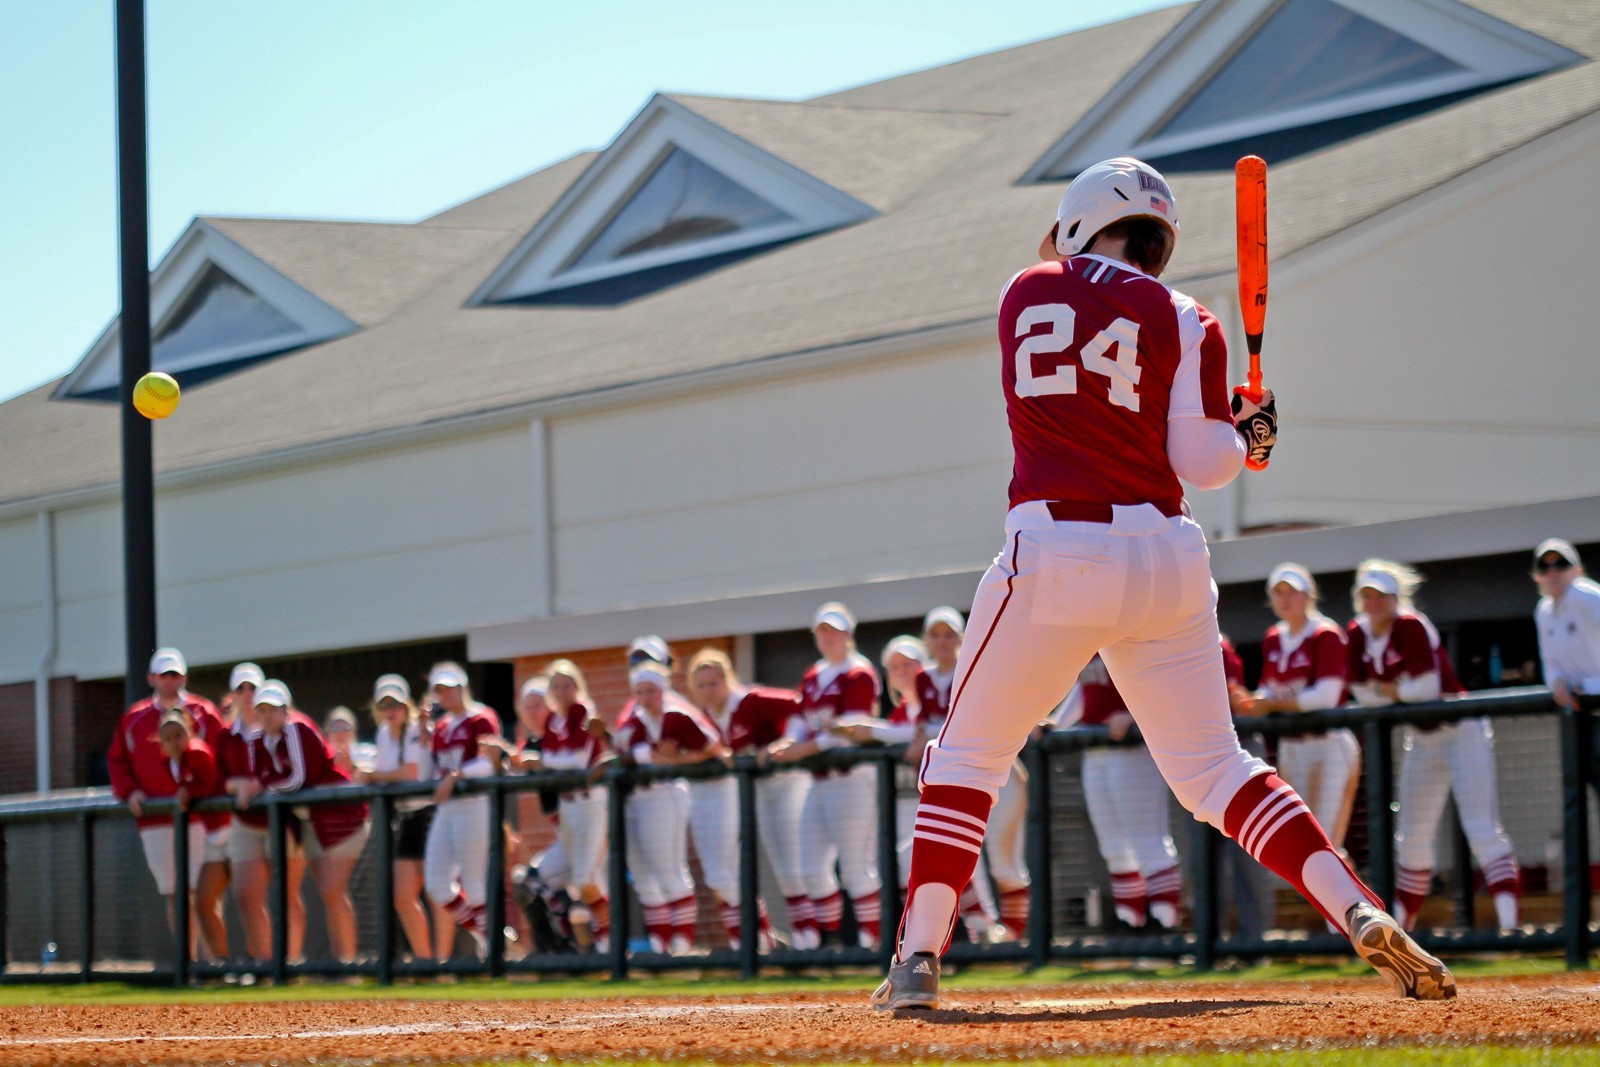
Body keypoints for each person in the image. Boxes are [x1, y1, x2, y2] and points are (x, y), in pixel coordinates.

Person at [875, 157, 1452, 1010]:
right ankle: (1356, 906)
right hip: (1168, 557)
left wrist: (1234, 429)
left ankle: (917, 961)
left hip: (1057, 546)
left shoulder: (1022, 291)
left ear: (1080, 220)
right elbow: (1205, 465)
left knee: (967, 755)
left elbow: (1060, 262)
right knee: (1216, 770)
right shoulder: (1191, 317)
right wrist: (1251, 435)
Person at [1347, 560, 1520, 932]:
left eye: (1382, 595)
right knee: (1411, 837)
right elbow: (1360, 693)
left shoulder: (1410, 625)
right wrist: (1396, 693)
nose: (1375, 603)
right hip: (1422, 738)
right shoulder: (1358, 634)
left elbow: (1427, 689)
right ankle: (1402, 931)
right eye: (1368, 595)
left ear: (1396, 597)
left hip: (1461, 732)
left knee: (1481, 829)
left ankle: (1511, 927)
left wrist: (1389, 692)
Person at [873, 633, 1000, 942]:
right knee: (916, 861)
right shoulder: (902, 710)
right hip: (925, 795)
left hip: (975, 782)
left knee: (993, 863)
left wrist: (870, 731)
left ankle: (990, 926)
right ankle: (964, 928)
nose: (902, 672)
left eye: (908, 664)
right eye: (894, 666)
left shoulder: (938, 694)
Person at [770, 602, 883, 949]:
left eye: (834, 630)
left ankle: (871, 946)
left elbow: (848, 729)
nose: (828, 637)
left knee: (856, 867)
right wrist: (787, 742)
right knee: (811, 867)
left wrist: (800, 749)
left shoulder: (859, 672)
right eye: (822, 630)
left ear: (849, 634)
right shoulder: (814, 674)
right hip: (819, 779)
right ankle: (830, 945)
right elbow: (800, 721)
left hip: (851, 777)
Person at [107, 648, 230, 958]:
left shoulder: (204, 712)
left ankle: (215, 964)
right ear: (151, 678)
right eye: (164, 675)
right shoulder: (135, 718)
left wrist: (201, 794)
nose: (170, 680)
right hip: (156, 819)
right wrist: (130, 791)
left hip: (202, 817)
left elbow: (223, 759)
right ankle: (186, 965)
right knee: (174, 893)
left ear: (184, 677)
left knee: (204, 893)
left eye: (175, 674)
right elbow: (118, 762)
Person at [236, 680, 370, 963]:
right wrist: (258, 785)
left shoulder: (297, 727)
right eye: (262, 709)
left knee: (332, 890)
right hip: (313, 824)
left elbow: (299, 778)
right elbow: (259, 777)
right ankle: (333, 964)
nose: (268, 714)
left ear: (286, 710)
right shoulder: (256, 739)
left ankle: (347, 965)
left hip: (342, 817)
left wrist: (262, 786)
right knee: (327, 892)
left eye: (274, 708)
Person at [687, 648, 808, 949]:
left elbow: (801, 706)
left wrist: (787, 741)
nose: (708, 690)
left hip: (787, 782)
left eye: (713, 682)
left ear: (728, 679)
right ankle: (764, 944)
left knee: (797, 869)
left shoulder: (750, 701)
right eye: (700, 685)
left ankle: (813, 943)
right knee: (778, 871)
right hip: (758, 791)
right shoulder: (705, 718)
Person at [1060, 655, 1183, 930]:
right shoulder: (1088, 636)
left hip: (1134, 748)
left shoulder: (1133, 622)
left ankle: (1164, 927)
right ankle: (1132, 927)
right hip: (1095, 751)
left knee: (1149, 844)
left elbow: (1163, 680)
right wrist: (1057, 723)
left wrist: (1135, 713)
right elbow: (1084, 690)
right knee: (1114, 848)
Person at [615, 665, 723, 953]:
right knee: (643, 877)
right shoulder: (633, 720)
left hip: (666, 793)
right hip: (635, 798)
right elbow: (620, 754)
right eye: (639, 691)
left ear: (663, 690)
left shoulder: (677, 714)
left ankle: (681, 947)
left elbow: (716, 749)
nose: (645, 697)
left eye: (650, 690)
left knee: (669, 871)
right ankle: (659, 949)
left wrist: (678, 761)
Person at [1253, 563, 1359, 849]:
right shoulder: (1274, 636)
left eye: (1293, 592)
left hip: (1328, 743)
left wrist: (1270, 704)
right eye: (1278, 592)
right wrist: (1253, 700)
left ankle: (1349, 895)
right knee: (1301, 842)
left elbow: (1326, 695)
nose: (1285, 599)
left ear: (1310, 596)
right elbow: (1268, 688)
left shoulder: (1325, 633)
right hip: (1292, 745)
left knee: (1327, 842)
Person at [216, 662, 303, 963]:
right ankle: (268, 965)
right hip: (246, 821)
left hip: (284, 820)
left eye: (253, 687)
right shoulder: (226, 735)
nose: (248, 694)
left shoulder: (292, 727)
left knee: (286, 895)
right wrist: (237, 784)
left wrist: (258, 784)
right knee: (247, 895)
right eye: (241, 688)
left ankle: (289, 965)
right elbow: (218, 778)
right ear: (233, 694)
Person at [357, 673, 443, 961]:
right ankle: (425, 961)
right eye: (384, 706)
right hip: (406, 817)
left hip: (430, 813)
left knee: (437, 892)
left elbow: (412, 773)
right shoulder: (383, 734)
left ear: (407, 705)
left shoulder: (418, 730)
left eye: (396, 704)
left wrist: (372, 775)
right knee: (403, 896)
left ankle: (443, 963)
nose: (390, 711)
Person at [420, 661, 502, 957]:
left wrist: (457, 775)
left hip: (473, 805)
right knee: (437, 884)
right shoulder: (441, 727)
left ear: (462, 687)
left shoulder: (481, 717)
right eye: (440, 690)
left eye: (450, 688)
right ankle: (491, 935)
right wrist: (422, 735)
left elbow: (489, 762)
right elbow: (425, 774)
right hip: (448, 807)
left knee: (474, 880)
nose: (446, 695)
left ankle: (493, 948)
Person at [537, 659, 615, 951]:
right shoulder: (551, 719)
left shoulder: (582, 711)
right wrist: (544, 763)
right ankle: (595, 943)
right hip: (568, 804)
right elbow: (554, 757)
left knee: (586, 879)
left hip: (591, 803)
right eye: (556, 685)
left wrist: (544, 763)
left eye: (567, 685)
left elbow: (578, 761)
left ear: (577, 687)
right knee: (578, 882)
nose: (561, 691)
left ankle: (609, 941)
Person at [1532, 538, 1600, 712]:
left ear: (1577, 570)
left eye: (1561, 564)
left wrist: (1592, 685)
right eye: (1544, 567)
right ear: (1537, 576)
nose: (1553, 572)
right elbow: (1550, 661)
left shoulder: (1583, 595)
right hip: (1584, 708)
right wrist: (1558, 683)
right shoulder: (1543, 612)